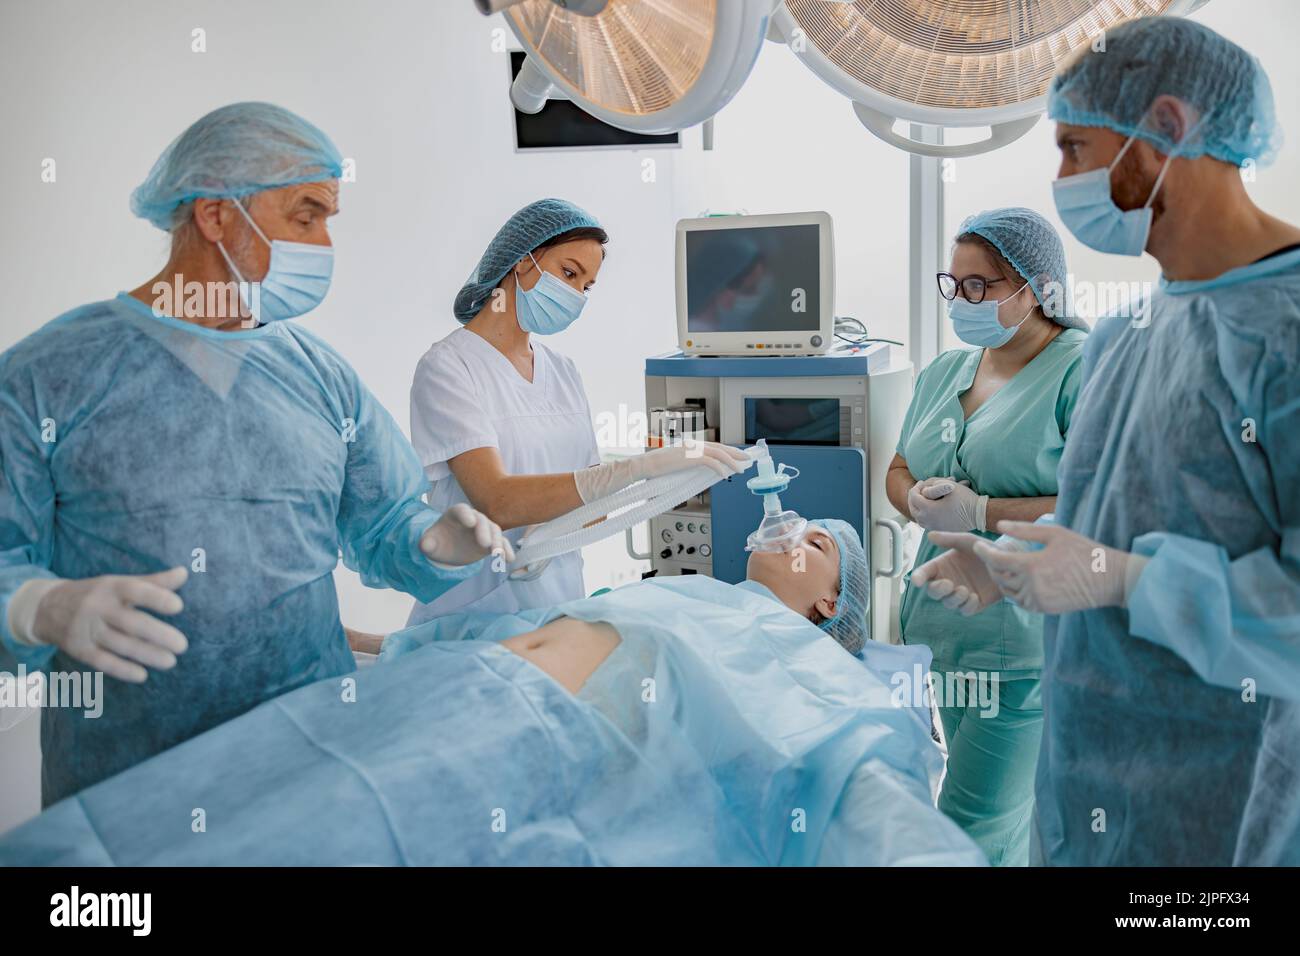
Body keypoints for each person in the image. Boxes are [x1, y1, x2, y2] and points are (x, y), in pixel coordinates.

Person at [0, 102, 509, 805]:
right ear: (215, 214)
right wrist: (35, 607)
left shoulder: (319, 376)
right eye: (307, 216)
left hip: (310, 758)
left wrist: (435, 541)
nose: (325, 242)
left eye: (330, 219)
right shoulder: (48, 375)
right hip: (127, 787)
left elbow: (386, 521)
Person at [910, 17, 1300, 865]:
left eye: (1074, 148)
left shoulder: (1285, 334)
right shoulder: (1129, 337)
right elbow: (1103, 531)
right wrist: (1012, 565)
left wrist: (1124, 579)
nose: (1062, 180)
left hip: (1227, 821)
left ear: (1166, 129)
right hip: (1085, 797)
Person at [404, 199, 747, 625]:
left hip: (556, 612)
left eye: (586, 287)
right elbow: (496, 500)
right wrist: (638, 468)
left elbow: (593, 505)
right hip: (470, 616)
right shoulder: (449, 367)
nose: (576, 295)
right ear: (522, 261)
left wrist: (556, 528)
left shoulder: (562, 372)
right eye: (569, 273)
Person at [887, 207, 1086, 865]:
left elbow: (1099, 498)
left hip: (1025, 639)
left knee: (969, 830)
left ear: (1037, 288)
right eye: (954, 284)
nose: (962, 300)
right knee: (998, 828)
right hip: (942, 629)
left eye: (980, 285)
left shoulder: (1079, 370)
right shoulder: (945, 372)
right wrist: (915, 499)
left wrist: (981, 512)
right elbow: (898, 469)